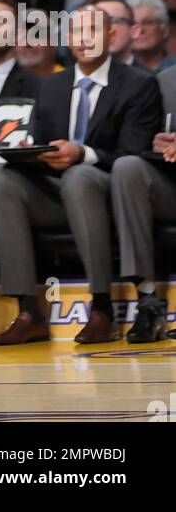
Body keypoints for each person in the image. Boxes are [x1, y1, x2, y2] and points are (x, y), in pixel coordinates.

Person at [0, 4, 160, 346]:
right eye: (77, 32)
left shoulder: (139, 84)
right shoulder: (50, 86)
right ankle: (28, 311)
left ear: (111, 37)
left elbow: (134, 155)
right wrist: (30, 151)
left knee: (79, 176)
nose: (84, 39)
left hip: (113, 191)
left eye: (93, 31)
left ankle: (102, 308)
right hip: (60, 191)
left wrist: (82, 154)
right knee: (3, 179)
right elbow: (42, 145)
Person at [109, 66, 176, 344]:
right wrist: (159, 142)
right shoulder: (164, 80)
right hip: (170, 186)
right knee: (127, 167)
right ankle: (148, 300)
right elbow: (143, 138)